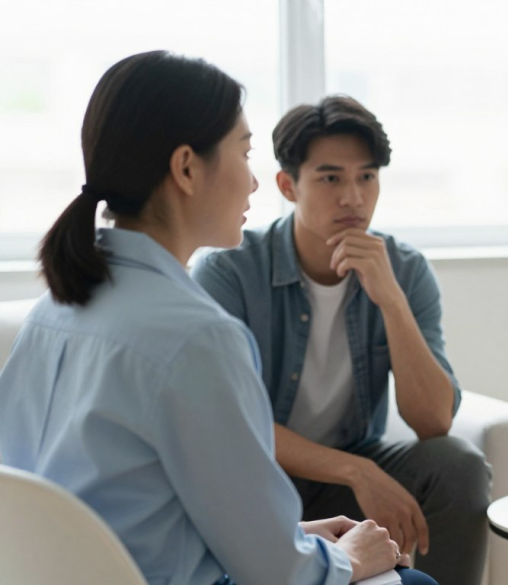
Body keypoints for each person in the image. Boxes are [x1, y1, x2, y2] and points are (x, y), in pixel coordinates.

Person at [0, 51, 435, 585]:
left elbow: (141, 513)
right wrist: (350, 558)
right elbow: (276, 574)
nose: (253, 183)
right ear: (186, 168)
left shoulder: (54, 309)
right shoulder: (198, 336)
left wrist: (297, 538)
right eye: (244, 152)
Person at [191, 95, 491, 585]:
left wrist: (391, 299)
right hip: (255, 482)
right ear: (288, 185)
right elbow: (231, 421)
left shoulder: (405, 268)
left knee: (456, 465)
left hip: (344, 482)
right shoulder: (229, 270)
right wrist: (358, 471)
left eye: (366, 177)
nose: (353, 197)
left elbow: (433, 420)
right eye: (331, 178)